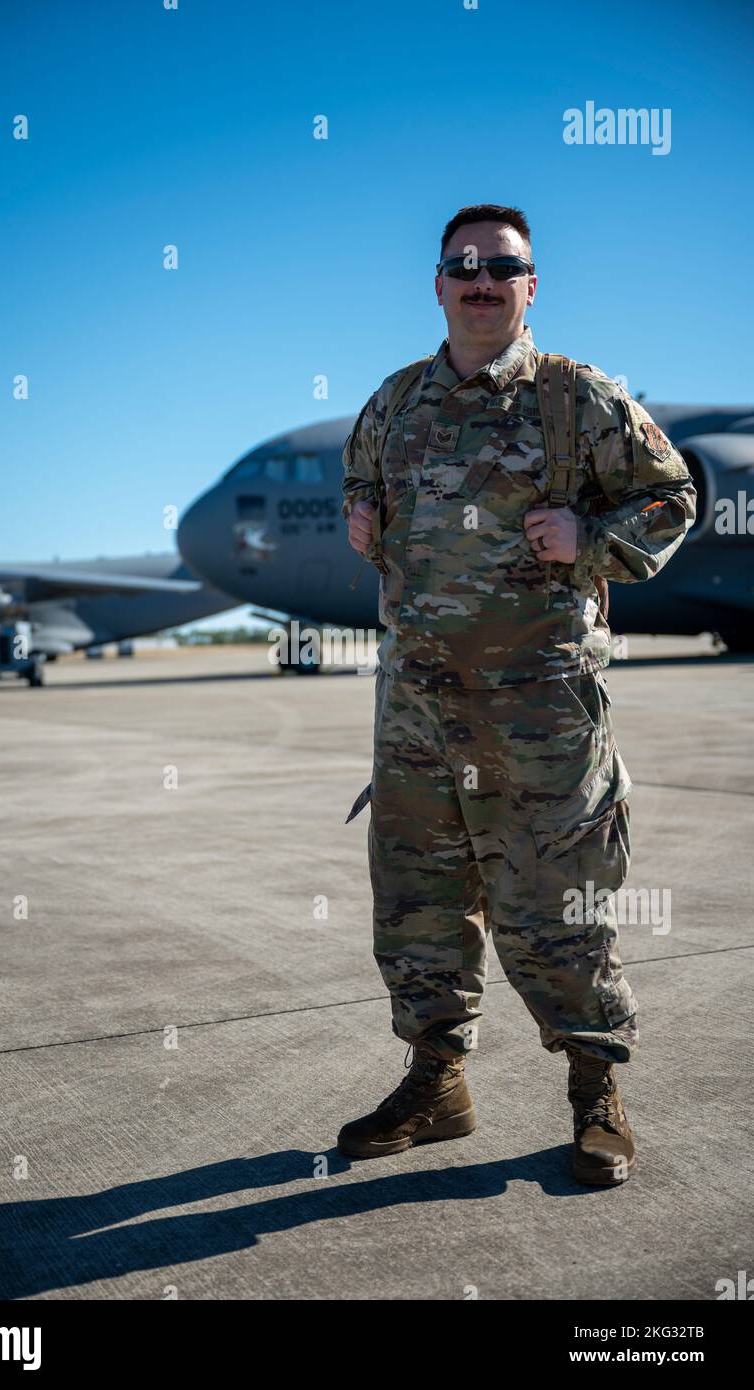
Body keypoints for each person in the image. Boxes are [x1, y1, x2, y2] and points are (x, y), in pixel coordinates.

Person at [338, 203, 696, 1184]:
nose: (482, 280)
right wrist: (359, 514)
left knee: (560, 903)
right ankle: (438, 1084)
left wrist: (596, 540)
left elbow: (673, 495)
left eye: (504, 266)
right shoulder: (394, 401)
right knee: (419, 901)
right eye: (464, 264)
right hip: (417, 703)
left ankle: (596, 1092)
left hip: (541, 702)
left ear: (532, 284)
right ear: (439, 281)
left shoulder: (575, 397)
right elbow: (359, 484)